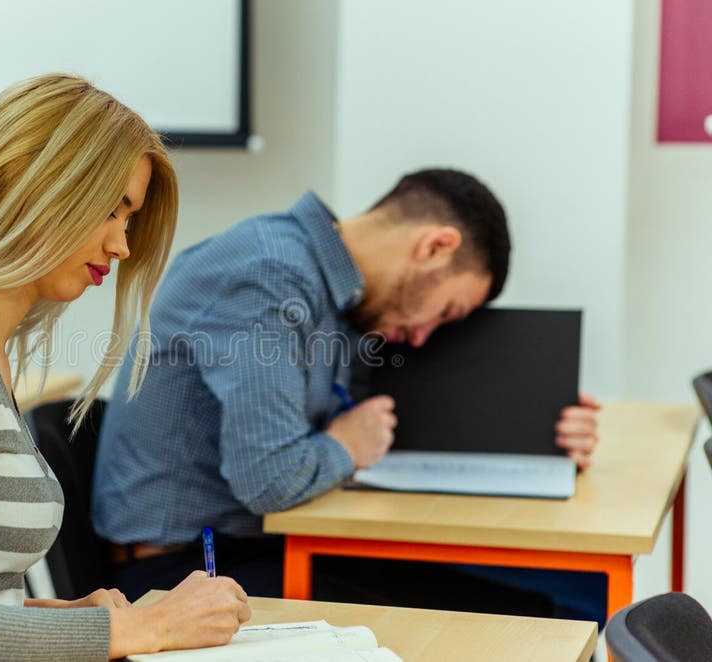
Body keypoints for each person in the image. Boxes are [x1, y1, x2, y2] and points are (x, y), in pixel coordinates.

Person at [0, 74, 250, 662]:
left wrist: (64, 617)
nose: (122, 246)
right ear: (28, 184)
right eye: (112, 210)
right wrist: (149, 628)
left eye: (128, 220)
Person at [91, 169, 605, 624]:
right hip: (183, 575)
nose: (425, 336)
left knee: (567, 594)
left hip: (260, 546)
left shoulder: (335, 291)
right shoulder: (269, 275)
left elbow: (391, 406)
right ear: (434, 247)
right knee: (533, 615)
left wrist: (540, 423)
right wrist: (346, 446)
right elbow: (269, 479)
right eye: (444, 313)